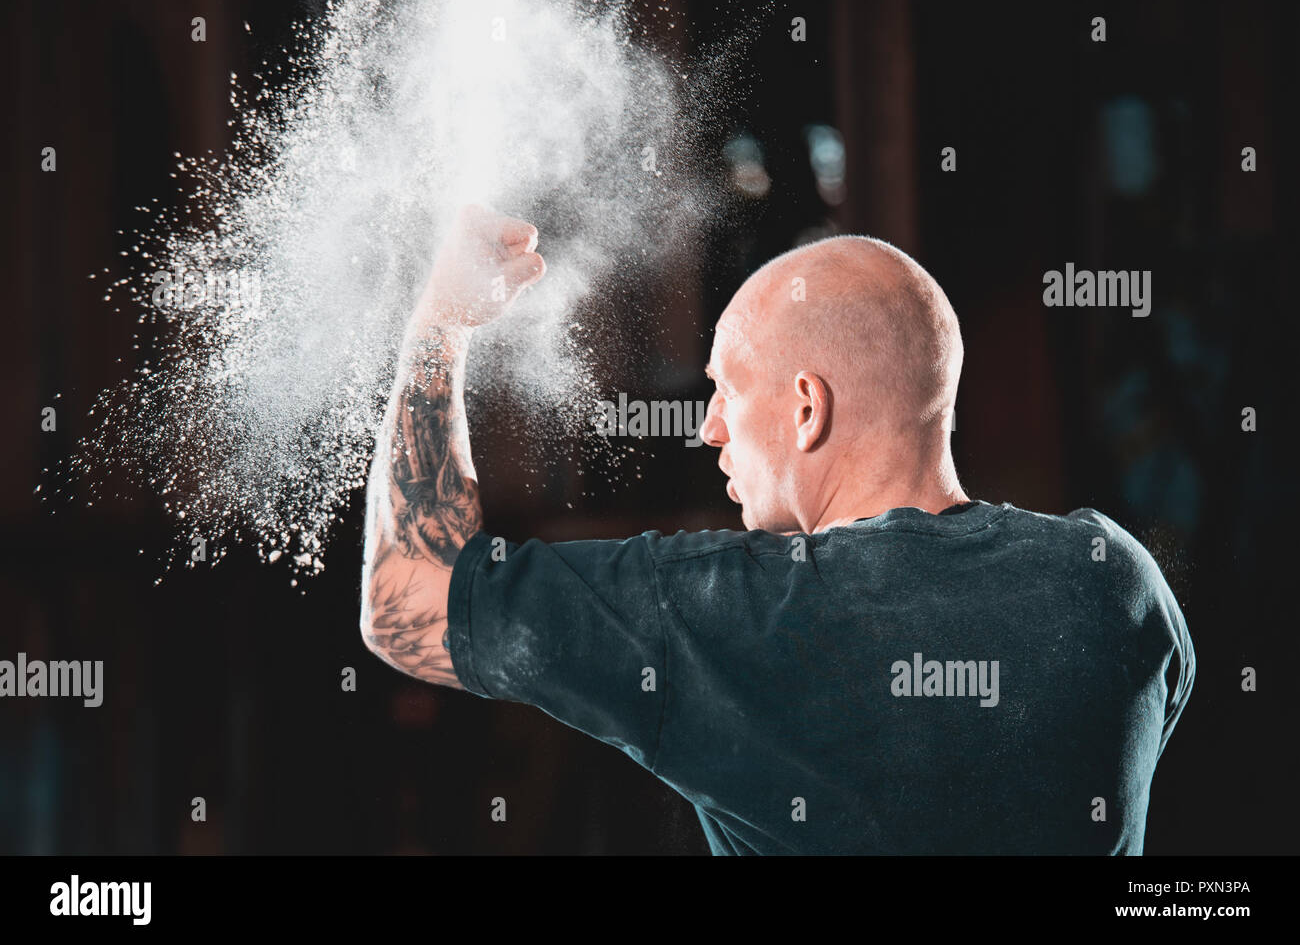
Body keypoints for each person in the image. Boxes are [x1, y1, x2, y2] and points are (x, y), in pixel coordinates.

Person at [359, 204, 1196, 854]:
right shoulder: (1115, 582)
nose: (709, 427)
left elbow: (407, 597)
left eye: (727, 388)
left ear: (806, 408)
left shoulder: (732, 615)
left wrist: (440, 324)